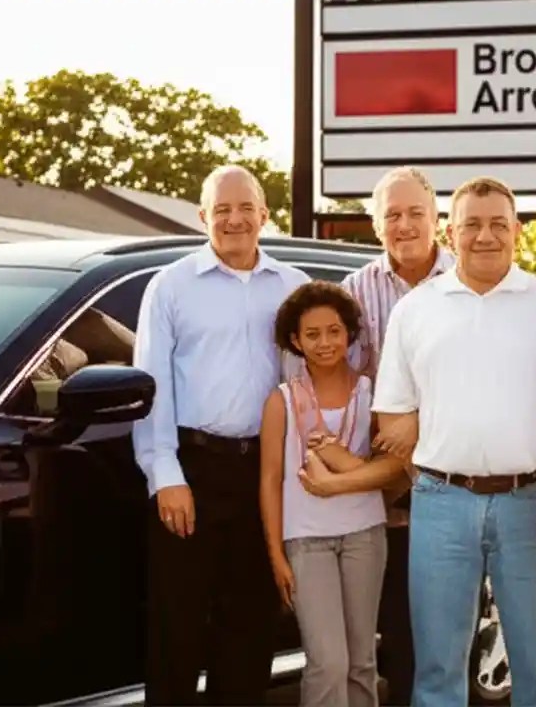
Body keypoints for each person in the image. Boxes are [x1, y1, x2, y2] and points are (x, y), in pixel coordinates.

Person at [372, 176, 536, 707]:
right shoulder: (417, 309)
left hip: (529, 503)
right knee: (438, 670)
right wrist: (441, 455)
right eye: (470, 224)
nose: (483, 236)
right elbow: (393, 416)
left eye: (496, 224)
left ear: (516, 230)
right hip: (442, 504)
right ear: (450, 231)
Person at [132, 164, 310, 706]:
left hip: (266, 472)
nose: (235, 219)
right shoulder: (171, 287)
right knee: (177, 627)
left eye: (245, 207)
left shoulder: (293, 287)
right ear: (203, 216)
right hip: (193, 469)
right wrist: (166, 475)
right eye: (222, 209)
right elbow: (151, 386)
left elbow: (307, 384)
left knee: (250, 626)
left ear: (263, 214)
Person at [335, 166, 456, 706]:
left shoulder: (472, 281)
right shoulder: (354, 293)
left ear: (437, 219)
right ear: (376, 223)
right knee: (397, 632)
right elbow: (343, 386)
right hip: (387, 494)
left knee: (450, 632)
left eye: (415, 213)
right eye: (392, 215)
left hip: (459, 485)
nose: (404, 225)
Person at [259, 281, 393, 707]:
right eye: (312, 334)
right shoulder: (282, 401)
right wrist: (277, 554)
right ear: (295, 340)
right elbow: (270, 478)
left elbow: (392, 466)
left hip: (365, 536)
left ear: (349, 333)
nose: (324, 342)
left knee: (361, 660)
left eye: (334, 331)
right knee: (327, 662)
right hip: (306, 541)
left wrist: (343, 462)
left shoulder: (372, 393)